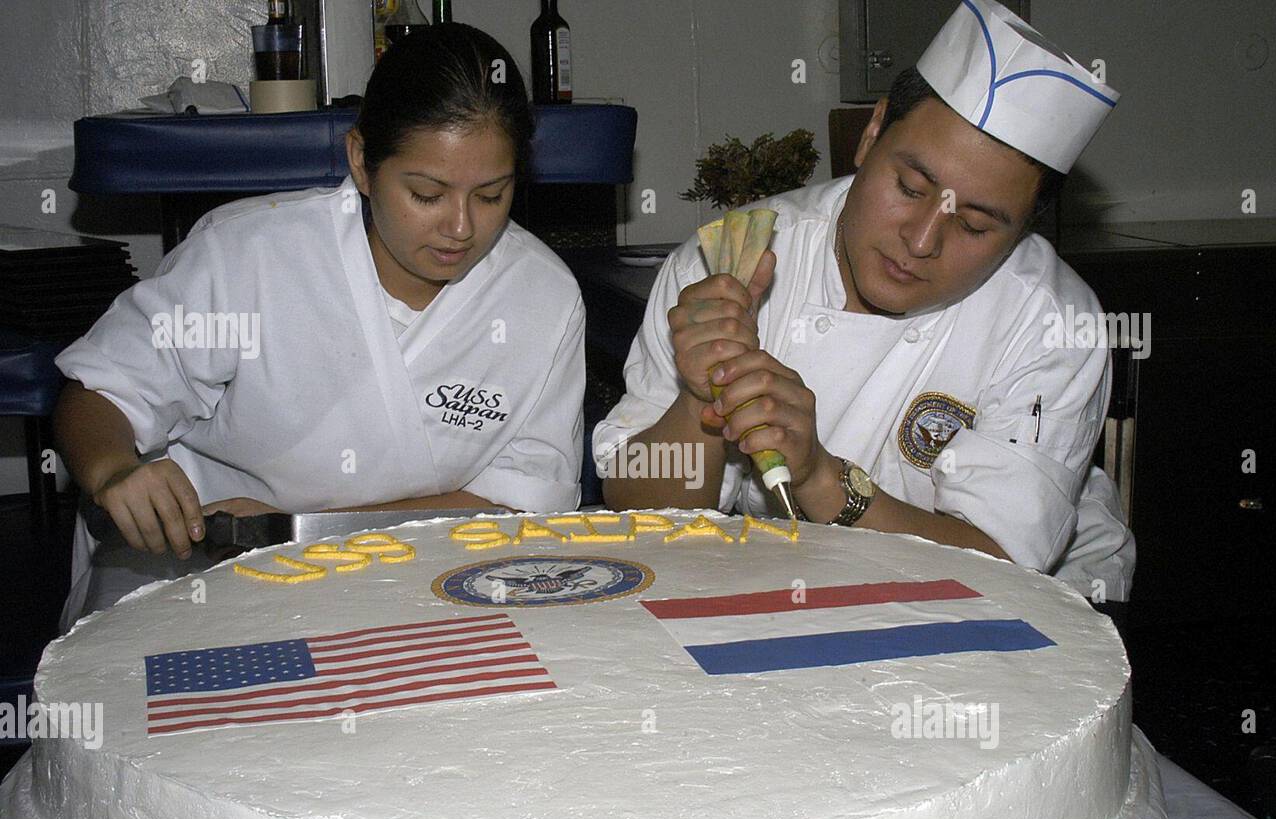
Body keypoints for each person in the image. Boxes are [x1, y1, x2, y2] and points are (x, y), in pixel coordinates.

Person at [597, 0, 1135, 603]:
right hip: (779, 590)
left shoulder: (1052, 323)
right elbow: (637, 510)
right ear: (872, 133)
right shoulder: (729, 260)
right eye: (909, 188)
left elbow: (1002, 571)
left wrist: (821, 478)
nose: (922, 240)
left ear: (1024, 233)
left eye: (977, 226)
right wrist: (699, 401)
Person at [54, 25, 586, 627]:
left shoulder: (543, 297)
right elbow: (98, 394)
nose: (460, 228)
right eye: (427, 193)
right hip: (198, 563)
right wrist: (113, 469)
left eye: (490, 196)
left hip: (420, 574)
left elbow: (519, 507)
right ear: (361, 161)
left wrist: (299, 533)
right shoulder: (251, 258)